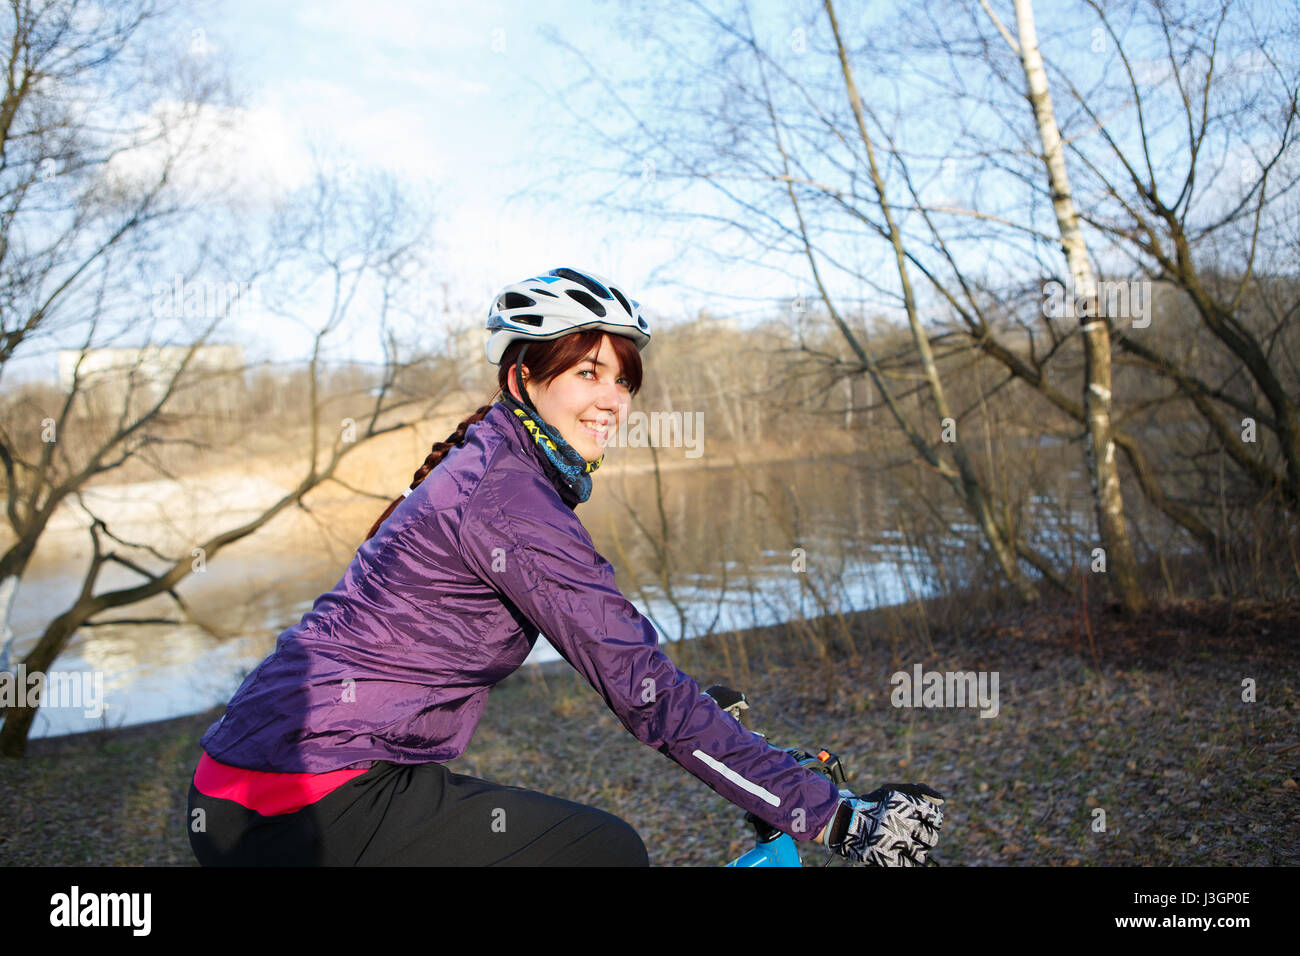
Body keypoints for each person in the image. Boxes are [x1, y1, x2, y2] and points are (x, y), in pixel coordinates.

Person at [185, 266, 945, 866]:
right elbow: (644, 691)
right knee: (603, 852)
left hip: (262, 773)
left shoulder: (493, 461)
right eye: (587, 373)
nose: (612, 398)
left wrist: (760, 763)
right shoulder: (511, 502)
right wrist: (835, 815)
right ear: (524, 380)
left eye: (622, 379)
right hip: (300, 795)